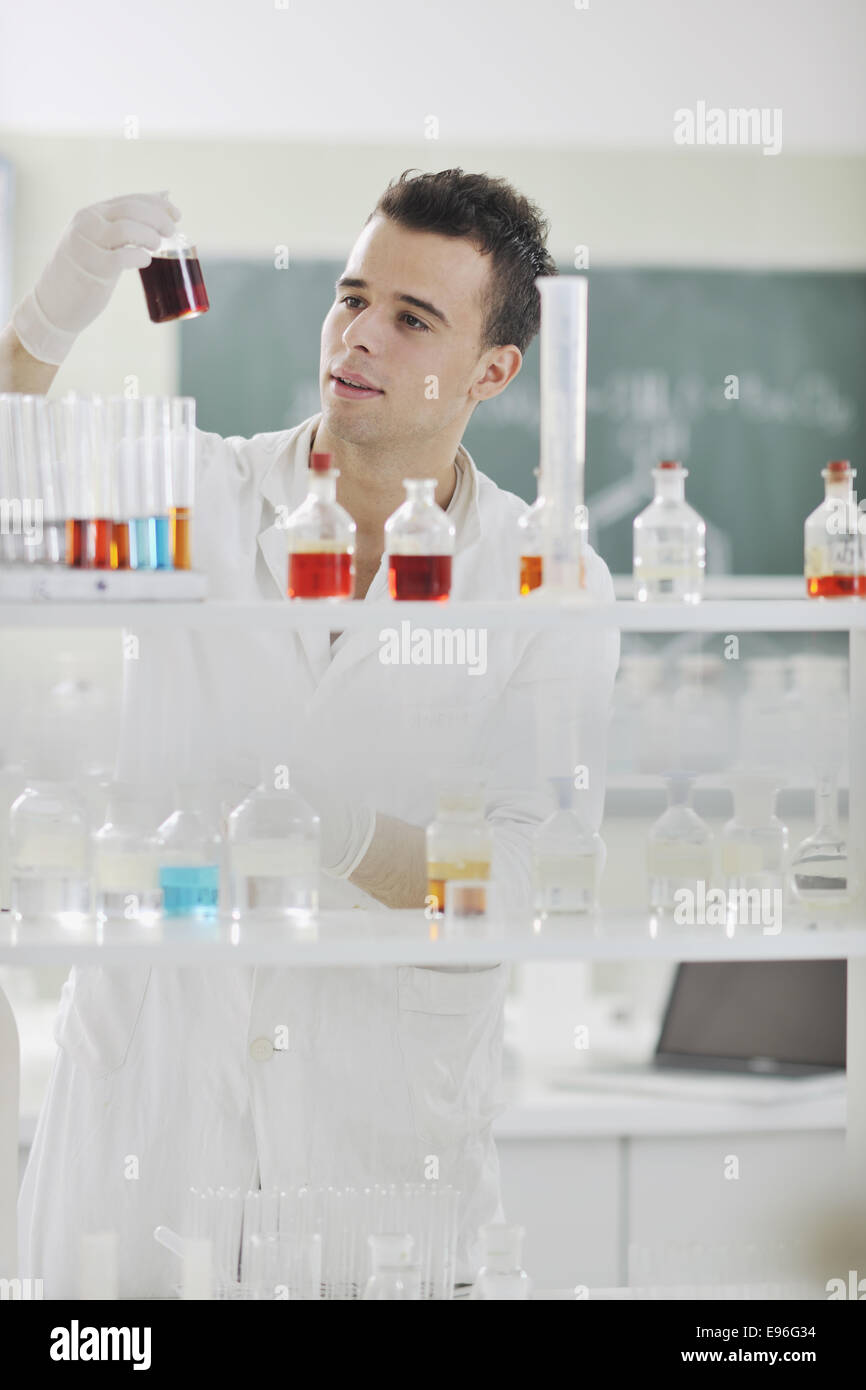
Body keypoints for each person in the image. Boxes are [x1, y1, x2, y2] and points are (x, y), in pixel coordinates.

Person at [2, 168, 619, 1297]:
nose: (357, 334)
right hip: (149, 1126)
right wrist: (51, 317)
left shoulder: (550, 577)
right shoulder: (196, 490)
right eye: (350, 296)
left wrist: (342, 834)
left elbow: (533, 877)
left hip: (376, 1154)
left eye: (411, 317)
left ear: (493, 371)